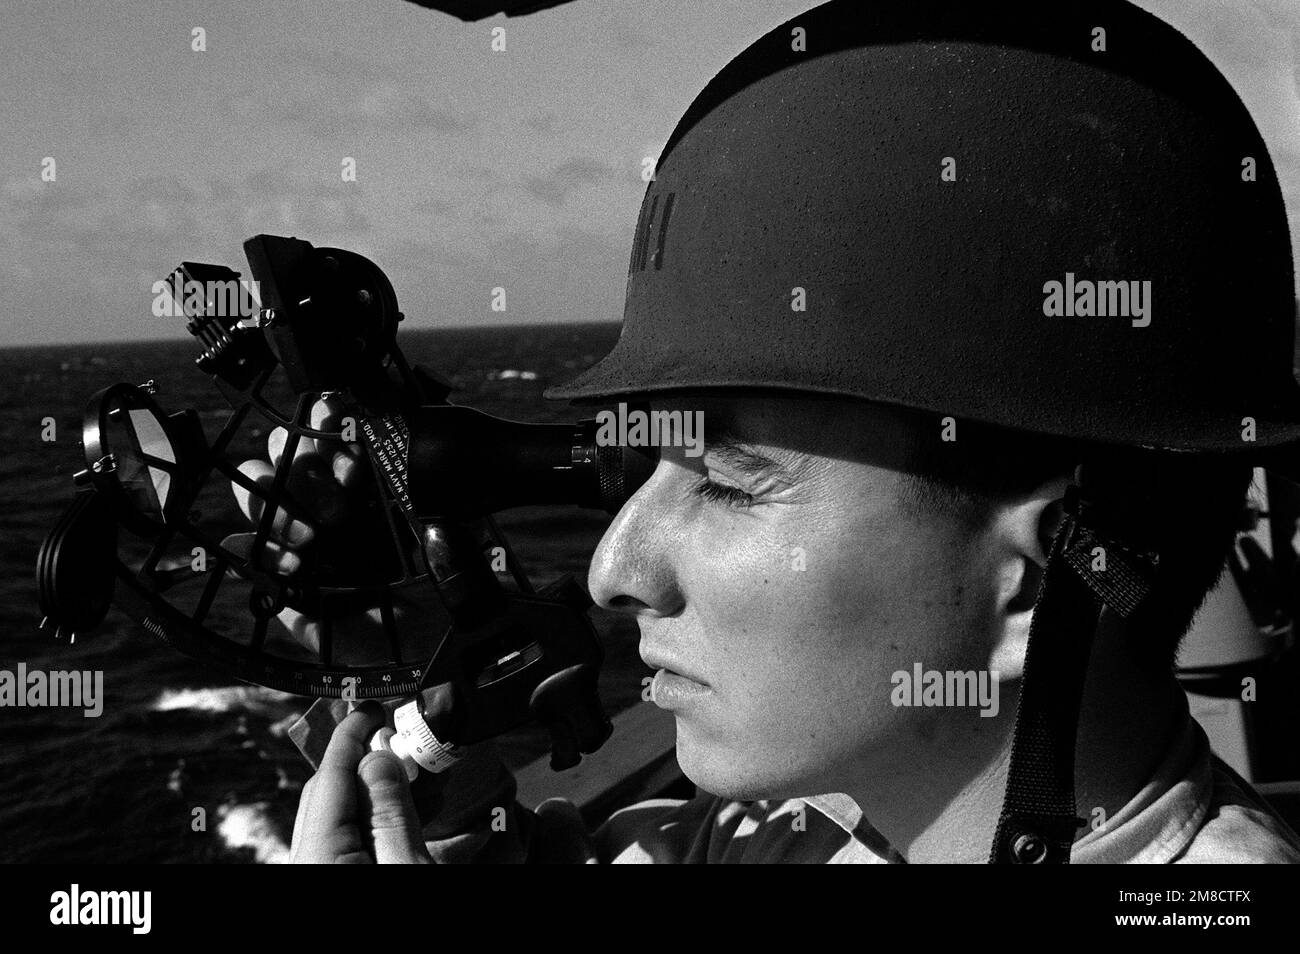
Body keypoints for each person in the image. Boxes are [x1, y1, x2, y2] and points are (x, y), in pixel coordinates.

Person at [265, 0, 1300, 862]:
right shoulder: (813, 831)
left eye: (725, 483)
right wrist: (437, 793)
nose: (613, 569)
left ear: (1036, 582)